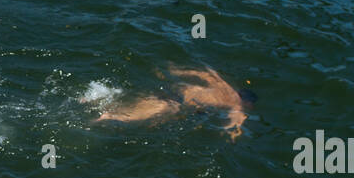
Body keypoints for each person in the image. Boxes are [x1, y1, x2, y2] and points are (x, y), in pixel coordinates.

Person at [93, 67, 257, 140]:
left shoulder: (224, 86)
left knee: (138, 105)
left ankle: (96, 100)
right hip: (176, 102)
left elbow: (208, 73)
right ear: (247, 102)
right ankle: (106, 117)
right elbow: (236, 120)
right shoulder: (237, 105)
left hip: (176, 91)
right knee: (138, 116)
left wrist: (178, 71)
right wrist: (234, 131)